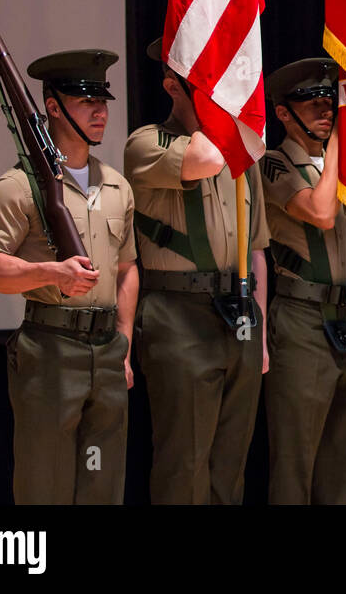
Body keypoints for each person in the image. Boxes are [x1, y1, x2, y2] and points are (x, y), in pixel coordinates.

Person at [0, 49, 138, 504]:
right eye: (86, 101)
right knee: (44, 486)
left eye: (103, 100)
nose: (101, 110)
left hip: (106, 352)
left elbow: (127, 269)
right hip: (49, 348)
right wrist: (49, 271)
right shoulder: (18, 185)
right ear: (52, 106)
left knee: (104, 488)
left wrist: (124, 345)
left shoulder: (118, 186)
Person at [124, 37, 270, 504]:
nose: (225, 91)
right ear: (173, 86)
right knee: (183, 465)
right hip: (178, 315)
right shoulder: (147, 142)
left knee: (230, 467)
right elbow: (203, 158)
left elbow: (258, 252)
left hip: (240, 314)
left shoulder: (241, 158)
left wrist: (261, 336)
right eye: (209, 82)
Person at [260, 57, 346, 504]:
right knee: (296, 461)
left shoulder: (342, 168)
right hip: (302, 318)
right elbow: (322, 212)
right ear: (285, 113)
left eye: (329, 101)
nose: (326, 110)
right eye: (311, 103)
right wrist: (340, 149)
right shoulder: (274, 165)